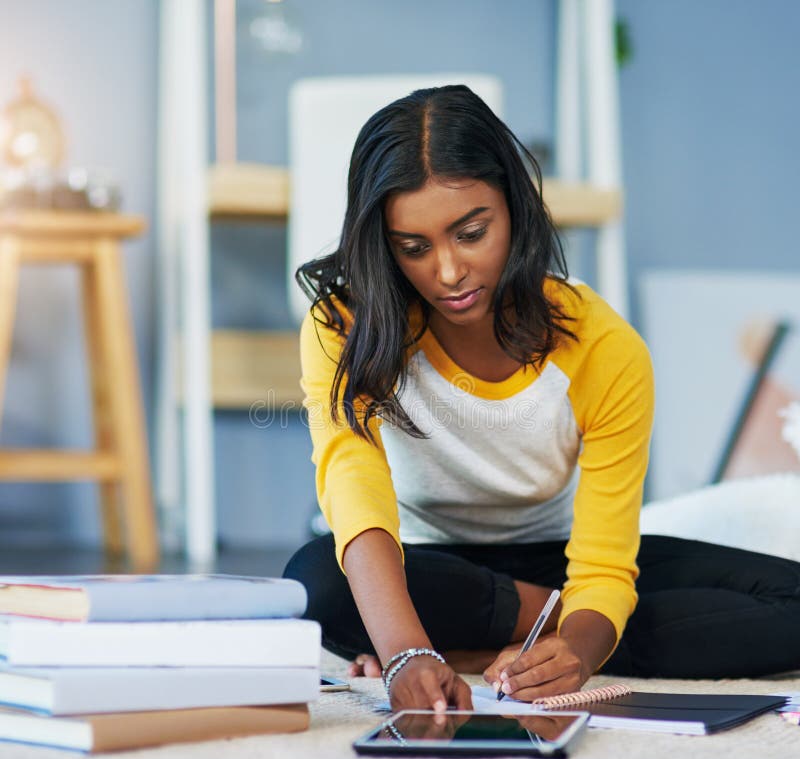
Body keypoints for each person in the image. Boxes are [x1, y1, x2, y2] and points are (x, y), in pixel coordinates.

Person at [283, 85, 800, 712]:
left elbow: (605, 563)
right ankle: (487, 634)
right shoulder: (346, 326)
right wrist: (406, 653)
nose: (447, 272)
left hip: (559, 557)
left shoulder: (606, 347)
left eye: (471, 232)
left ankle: (493, 647)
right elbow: (352, 486)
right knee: (317, 582)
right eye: (413, 247)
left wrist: (578, 652)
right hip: (420, 564)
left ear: (515, 207)